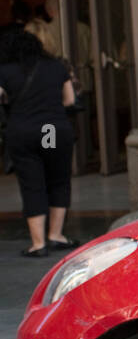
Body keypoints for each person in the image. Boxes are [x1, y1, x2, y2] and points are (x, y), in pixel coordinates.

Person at [0, 29, 80, 257]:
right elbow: (70, 100)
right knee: (57, 179)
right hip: (50, 130)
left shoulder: (5, 70)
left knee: (32, 183)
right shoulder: (56, 66)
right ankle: (56, 235)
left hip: (23, 130)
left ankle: (38, 244)